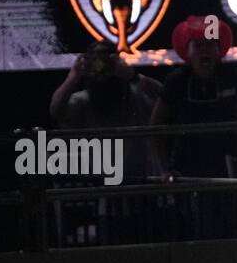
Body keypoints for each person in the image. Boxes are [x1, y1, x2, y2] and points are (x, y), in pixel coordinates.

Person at [151, 15, 237, 177]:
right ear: (188, 51)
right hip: (186, 162)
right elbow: (156, 124)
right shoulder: (176, 80)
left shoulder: (235, 74)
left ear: (218, 50)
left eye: (210, 45)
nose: (204, 50)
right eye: (198, 45)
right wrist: (164, 168)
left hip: (228, 161)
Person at [50, 40, 162, 178]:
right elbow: (56, 111)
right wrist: (72, 78)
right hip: (99, 182)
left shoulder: (135, 95)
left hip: (136, 180)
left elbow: (166, 99)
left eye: (107, 61)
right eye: (96, 62)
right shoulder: (82, 101)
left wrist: (133, 76)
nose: (102, 69)